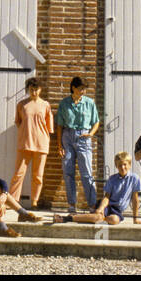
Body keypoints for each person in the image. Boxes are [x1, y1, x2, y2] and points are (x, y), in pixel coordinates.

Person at [56, 152, 141, 225]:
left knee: (114, 220)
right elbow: (106, 197)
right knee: (97, 216)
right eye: (120, 165)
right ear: (116, 166)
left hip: (117, 210)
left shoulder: (134, 179)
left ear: (130, 165)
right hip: (107, 206)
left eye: (125, 164)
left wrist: (135, 218)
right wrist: (100, 209)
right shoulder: (112, 179)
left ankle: (96, 218)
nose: (122, 167)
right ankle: (67, 218)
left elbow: (135, 199)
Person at [55, 76, 100, 212]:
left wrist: (91, 134)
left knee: (86, 172)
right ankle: (72, 205)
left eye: (85, 89)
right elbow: (59, 126)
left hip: (84, 137)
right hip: (67, 137)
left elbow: (96, 121)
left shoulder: (89, 103)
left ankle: (92, 205)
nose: (83, 91)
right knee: (68, 172)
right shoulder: (64, 103)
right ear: (73, 88)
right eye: (81, 89)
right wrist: (59, 145)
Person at [9, 76, 54, 208]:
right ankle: (12, 200)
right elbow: (18, 122)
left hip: (41, 144)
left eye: (36, 89)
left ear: (40, 90)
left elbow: (49, 126)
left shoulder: (46, 105)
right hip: (25, 143)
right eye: (31, 89)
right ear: (28, 89)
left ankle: (34, 201)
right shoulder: (21, 105)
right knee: (18, 174)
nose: (33, 92)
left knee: (38, 175)